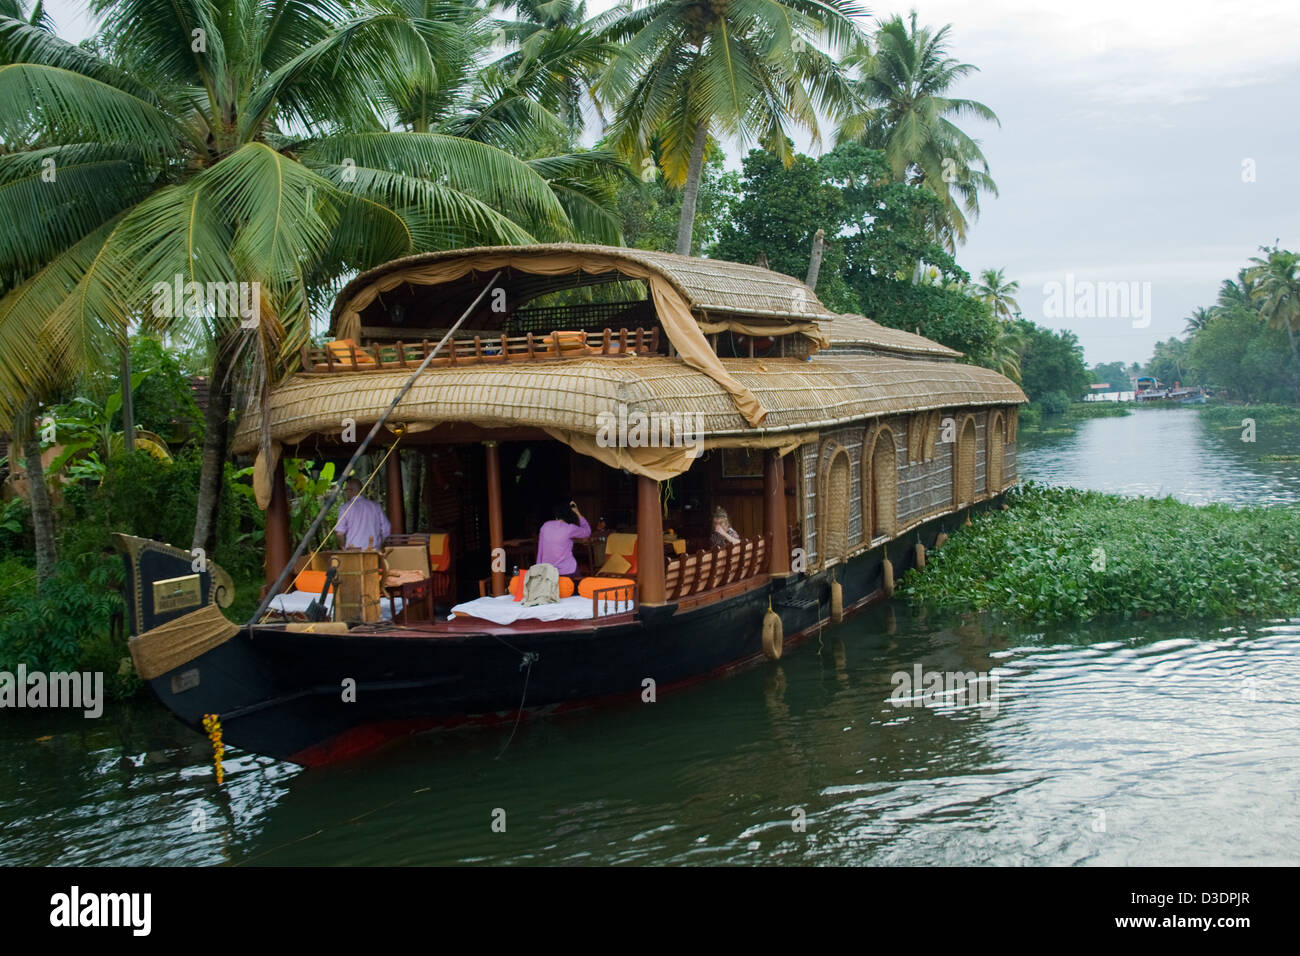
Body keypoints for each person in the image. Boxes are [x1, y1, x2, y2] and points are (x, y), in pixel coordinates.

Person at [332, 477, 391, 550]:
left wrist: (343, 547)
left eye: (346, 490)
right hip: (373, 551)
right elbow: (387, 529)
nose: (346, 493)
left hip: (353, 551)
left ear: (351, 491)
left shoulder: (345, 508)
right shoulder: (375, 506)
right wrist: (380, 545)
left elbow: (339, 533)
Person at [536, 500, 590, 577]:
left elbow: (540, 551)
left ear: (556, 514)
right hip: (567, 571)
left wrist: (539, 571)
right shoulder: (569, 528)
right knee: (579, 585)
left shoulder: (545, 526)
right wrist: (578, 513)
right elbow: (587, 532)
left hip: (548, 572)